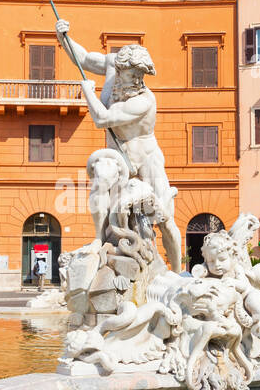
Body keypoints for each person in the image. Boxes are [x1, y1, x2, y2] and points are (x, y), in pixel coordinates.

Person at [56, 18, 184, 271]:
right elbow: (83, 59)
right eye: (134, 74)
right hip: (116, 154)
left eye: (142, 75)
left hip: (146, 157)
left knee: (166, 218)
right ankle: (98, 239)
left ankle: (178, 272)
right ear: (120, 67)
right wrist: (64, 38)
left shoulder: (144, 100)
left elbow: (102, 119)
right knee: (101, 181)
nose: (138, 79)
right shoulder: (111, 65)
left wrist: (88, 92)